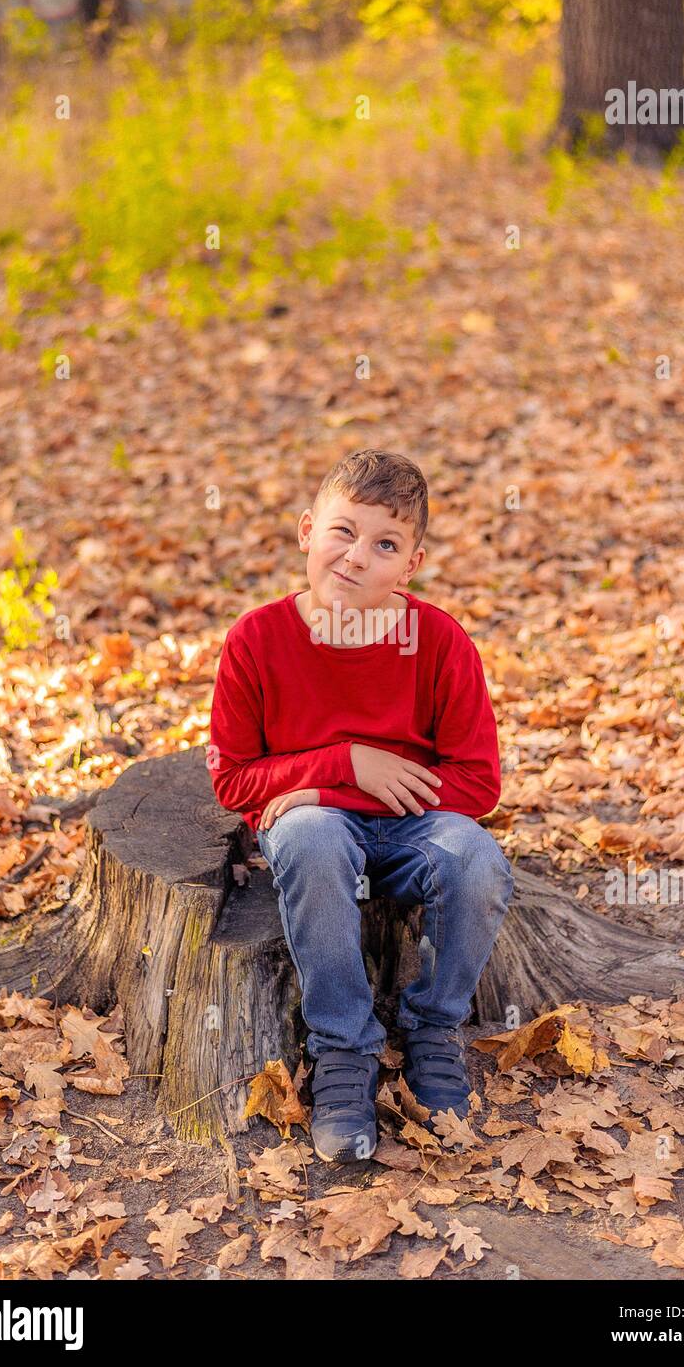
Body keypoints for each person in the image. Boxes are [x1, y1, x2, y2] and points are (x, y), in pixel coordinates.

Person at [208, 449, 515, 1162]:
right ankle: (343, 1051)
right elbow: (233, 781)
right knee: (312, 834)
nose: (356, 557)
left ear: (411, 564)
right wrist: (344, 769)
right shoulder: (257, 639)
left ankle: (434, 1029)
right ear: (307, 530)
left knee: (476, 857)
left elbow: (479, 784)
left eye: (385, 544)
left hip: (414, 828)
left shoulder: (438, 642)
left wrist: (349, 784)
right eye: (343, 532)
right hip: (315, 829)